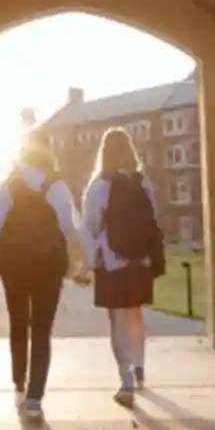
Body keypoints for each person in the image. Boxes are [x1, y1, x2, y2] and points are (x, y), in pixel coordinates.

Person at [0, 129, 86, 421]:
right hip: (48, 264)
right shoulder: (57, 185)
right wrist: (87, 260)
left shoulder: (10, 185)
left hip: (14, 264)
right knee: (42, 329)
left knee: (18, 322)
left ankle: (18, 383)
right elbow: (72, 226)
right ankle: (35, 398)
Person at [81, 127, 166, 408]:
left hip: (112, 261)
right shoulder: (142, 182)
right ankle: (140, 366)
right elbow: (153, 218)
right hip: (140, 260)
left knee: (117, 319)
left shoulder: (99, 185)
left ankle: (125, 380)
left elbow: (90, 226)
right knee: (135, 314)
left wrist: (92, 259)